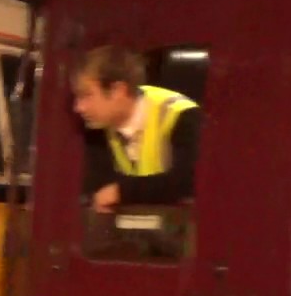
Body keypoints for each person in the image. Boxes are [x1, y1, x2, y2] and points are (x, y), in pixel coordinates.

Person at [72, 45, 202, 213]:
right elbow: (96, 188)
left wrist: (122, 192)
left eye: (87, 96)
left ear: (118, 91)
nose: (79, 107)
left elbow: (188, 181)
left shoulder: (181, 115)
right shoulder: (98, 128)